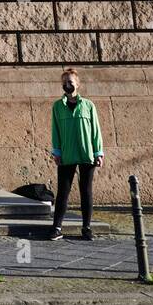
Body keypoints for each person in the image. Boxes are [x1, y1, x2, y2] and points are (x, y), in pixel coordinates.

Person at [48, 68, 103, 240]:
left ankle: (86, 227)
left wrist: (98, 152)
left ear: (77, 84)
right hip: (66, 154)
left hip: (87, 154)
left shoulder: (88, 105)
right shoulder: (57, 106)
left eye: (70, 82)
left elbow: (95, 130)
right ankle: (57, 228)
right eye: (64, 83)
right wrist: (56, 151)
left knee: (86, 191)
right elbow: (55, 130)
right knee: (63, 192)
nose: (67, 85)